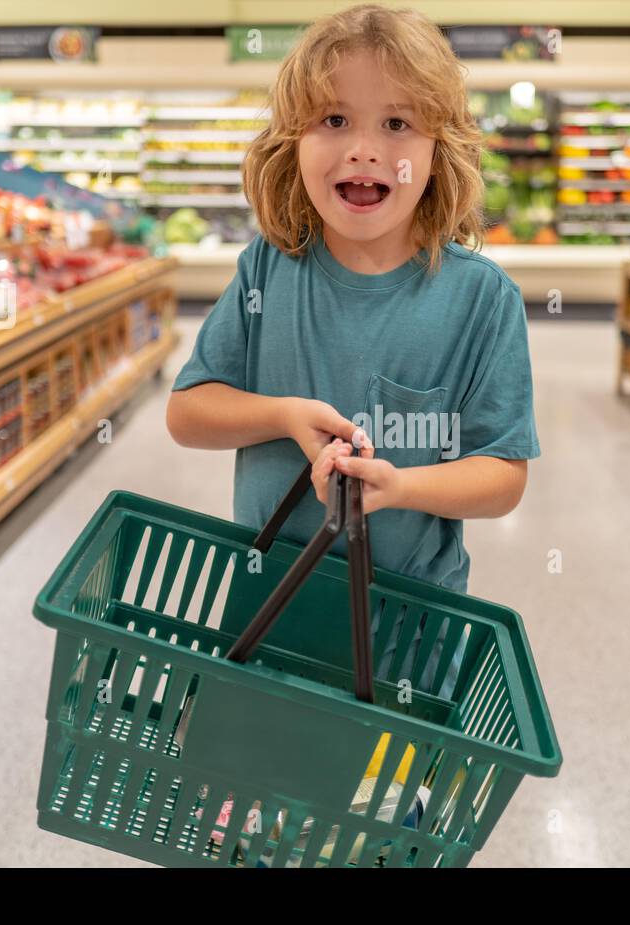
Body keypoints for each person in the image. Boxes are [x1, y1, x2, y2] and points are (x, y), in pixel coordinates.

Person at [166, 3, 540, 698]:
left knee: (389, 802)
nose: (364, 149)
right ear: (292, 143)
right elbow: (187, 413)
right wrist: (282, 415)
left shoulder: (482, 301)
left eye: (397, 123)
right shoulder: (269, 269)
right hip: (270, 614)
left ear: (438, 152)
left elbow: (503, 474)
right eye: (334, 120)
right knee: (260, 789)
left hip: (410, 636)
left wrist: (402, 487)